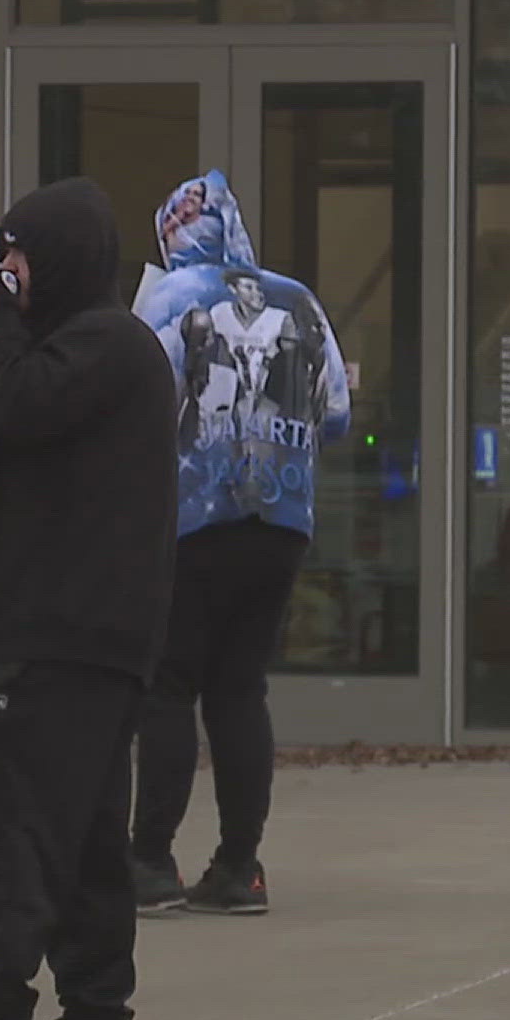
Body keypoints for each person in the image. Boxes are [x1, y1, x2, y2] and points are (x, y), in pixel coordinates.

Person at [0, 177, 177, 1020]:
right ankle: (92, 1009)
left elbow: (13, 402)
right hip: (84, 637)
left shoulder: (106, 343)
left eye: (18, 258)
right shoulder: (100, 349)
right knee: (83, 843)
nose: (7, 275)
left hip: (54, 639)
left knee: (13, 839)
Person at [130, 174, 352, 919]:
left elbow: (138, 395)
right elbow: (339, 413)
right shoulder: (300, 299)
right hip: (281, 519)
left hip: (192, 515)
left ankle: (150, 859)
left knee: (168, 683)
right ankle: (238, 865)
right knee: (239, 687)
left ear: (172, 233)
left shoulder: (168, 296)